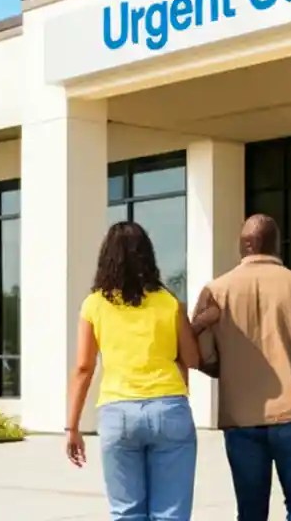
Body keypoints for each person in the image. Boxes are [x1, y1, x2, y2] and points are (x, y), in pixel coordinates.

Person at [64, 221, 220, 521]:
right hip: (169, 410)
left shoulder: (93, 305)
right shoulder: (168, 302)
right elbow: (192, 360)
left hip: (117, 412)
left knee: (127, 513)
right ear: (148, 257)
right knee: (171, 515)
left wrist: (72, 428)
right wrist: (197, 324)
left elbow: (84, 368)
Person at [193, 214, 291, 521]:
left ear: (242, 246)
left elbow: (203, 360)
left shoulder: (216, 291)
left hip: (240, 419)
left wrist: (237, 368)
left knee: (250, 512)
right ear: (276, 245)